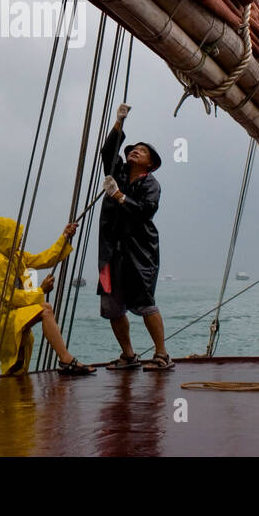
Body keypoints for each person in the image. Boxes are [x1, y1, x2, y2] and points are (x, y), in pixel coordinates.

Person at [97, 103, 172, 371]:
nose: (135, 150)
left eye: (142, 151)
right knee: (112, 305)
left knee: (145, 302)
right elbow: (107, 151)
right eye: (133, 148)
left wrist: (119, 196)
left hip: (140, 252)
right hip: (110, 251)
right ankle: (128, 354)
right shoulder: (116, 172)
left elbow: (146, 211)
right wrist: (119, 122)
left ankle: (162, 354)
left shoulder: (151, 185)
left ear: (150, 163)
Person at [0, 217, 94, 375]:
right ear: (7, 237)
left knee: (19, 357)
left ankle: (15, 378)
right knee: (45, 310)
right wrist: (41, 290)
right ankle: (65, 359)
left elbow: (45, 258)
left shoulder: (17, 257)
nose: (21, 238)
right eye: (17, 235)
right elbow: (10, 296)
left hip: (9, 313)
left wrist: (64, 238)